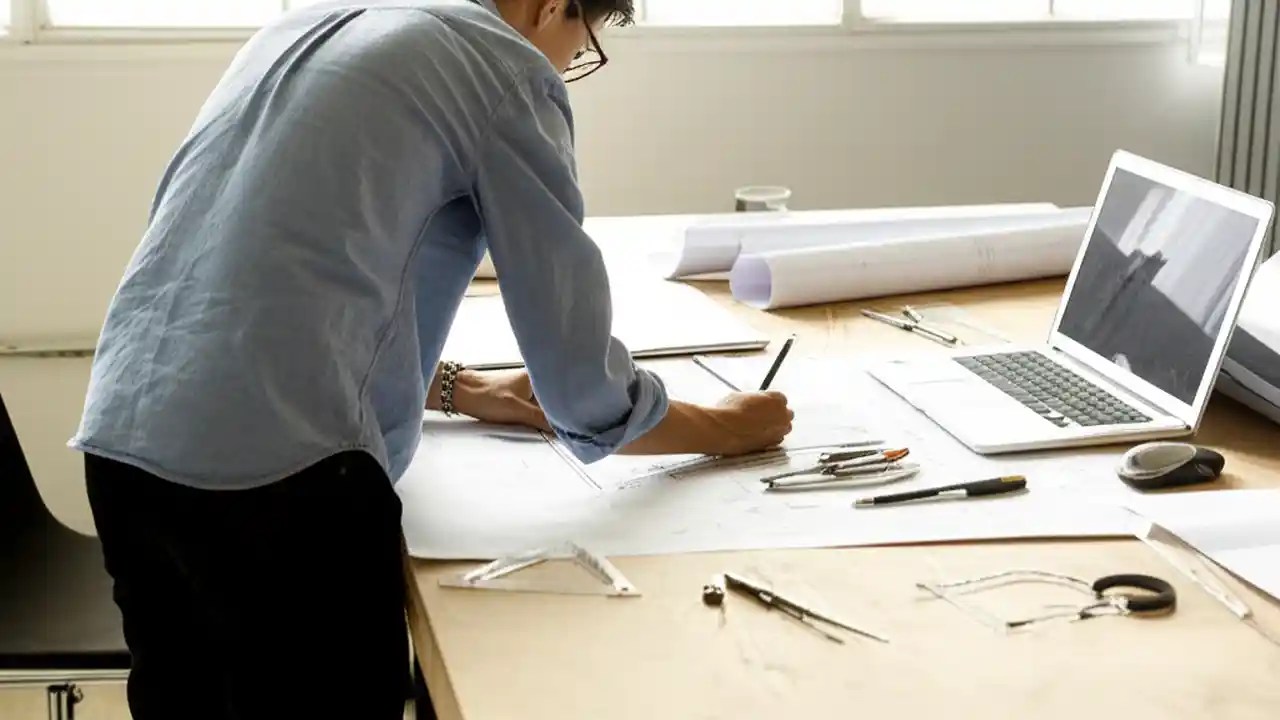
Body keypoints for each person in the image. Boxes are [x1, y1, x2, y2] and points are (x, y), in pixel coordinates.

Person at [70, 1, 793, 718]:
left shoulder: (311, 26)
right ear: (551, 8)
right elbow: (580, 383)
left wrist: (455, 386)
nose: (566, 68)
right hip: (280, 488)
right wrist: (727, 427)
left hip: (128, 449)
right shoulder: (501, 69)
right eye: (581, 48)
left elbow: (264, 290)